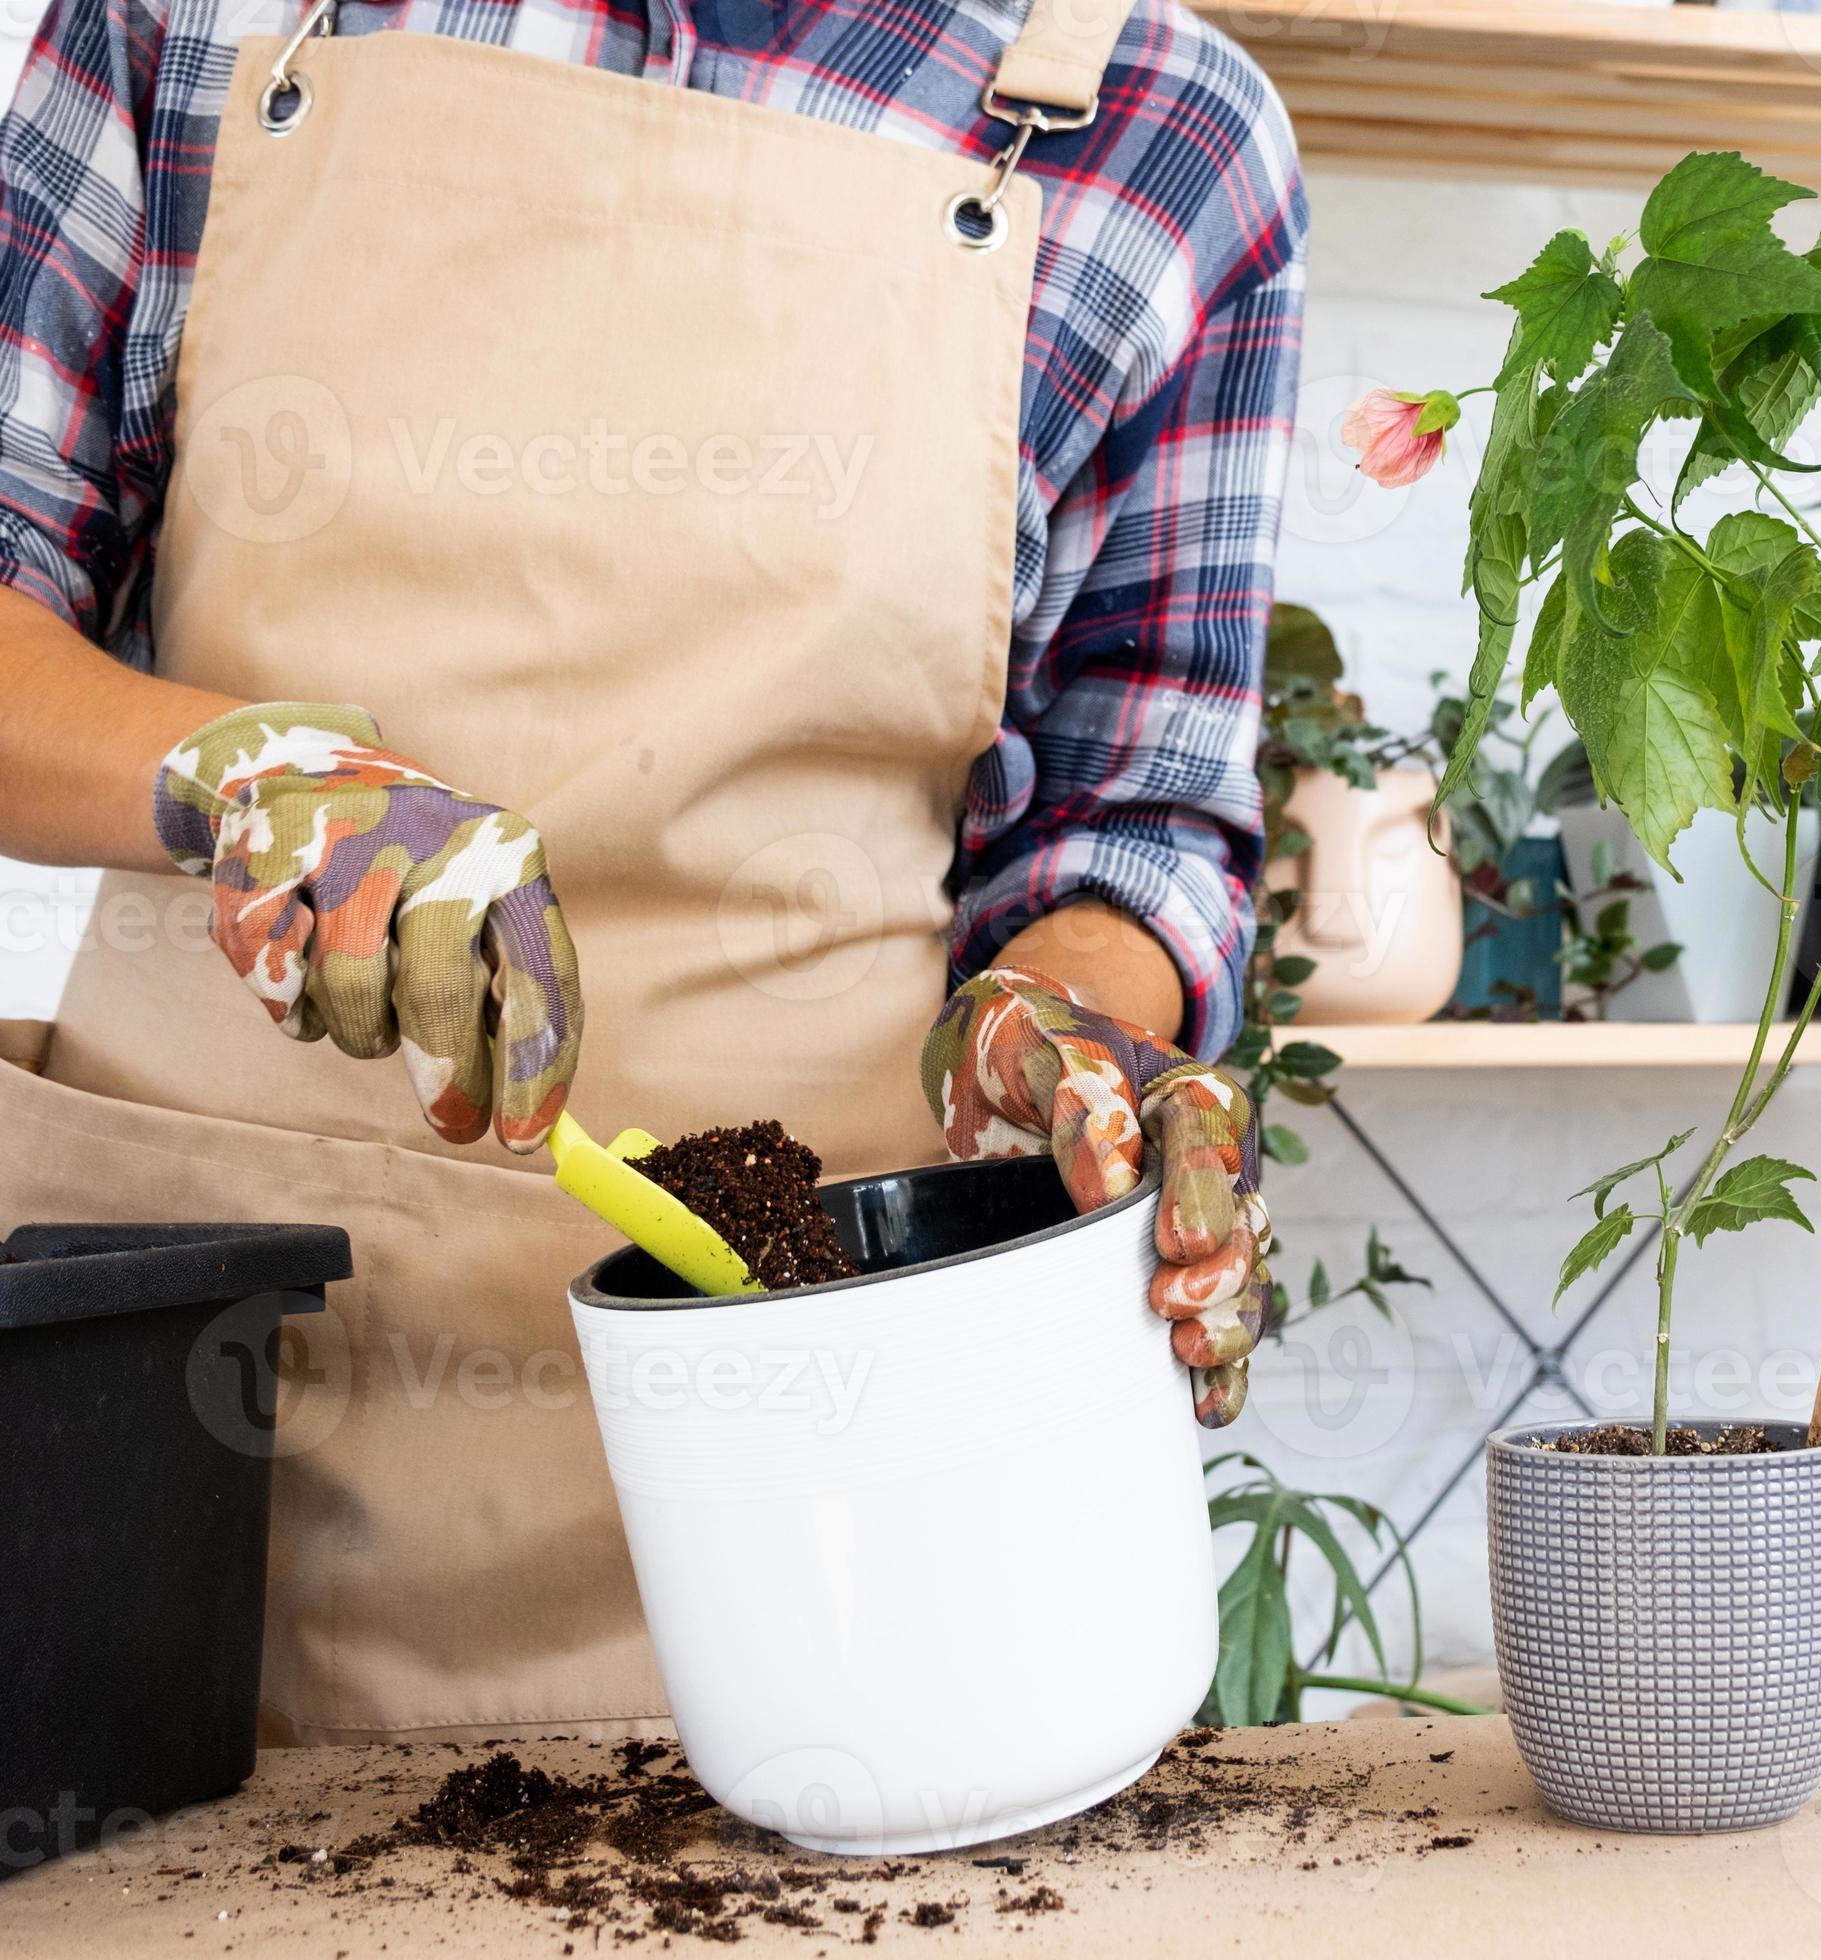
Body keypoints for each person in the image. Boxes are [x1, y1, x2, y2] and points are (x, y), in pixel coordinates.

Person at [0, 0, 1298, 1744]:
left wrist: (1053, 1017)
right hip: (172, 1423)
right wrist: (254, 781)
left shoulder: (1171, 139)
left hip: (799, 1441)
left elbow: (1136, 822)